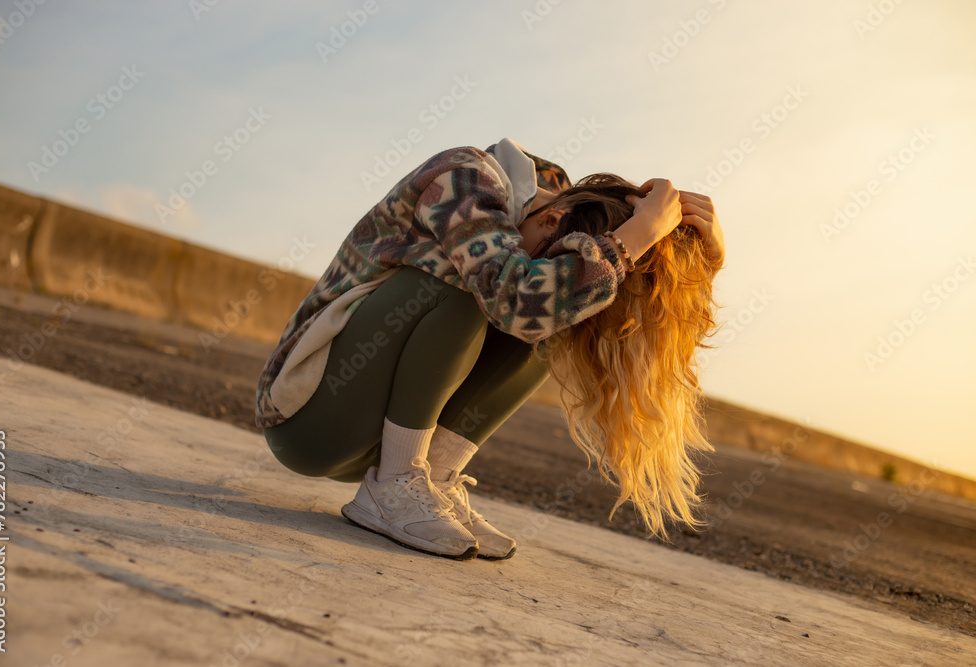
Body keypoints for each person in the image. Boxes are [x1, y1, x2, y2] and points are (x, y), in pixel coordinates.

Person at [255, 138, 724, 560]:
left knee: (555, 316)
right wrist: (635, 237)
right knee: (488, 290)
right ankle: (393, 485)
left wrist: (708, 262)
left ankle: (430, 480)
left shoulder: (552, 193)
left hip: (366, 438)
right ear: (553, 219)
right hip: (310, 417)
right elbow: (517, 299)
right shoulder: (464, 175)